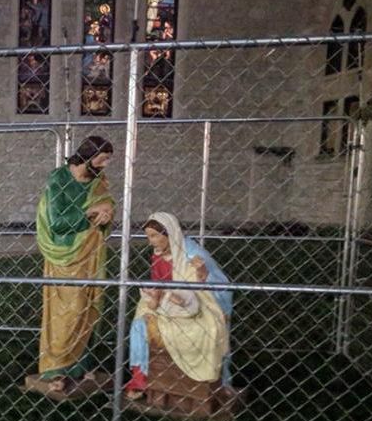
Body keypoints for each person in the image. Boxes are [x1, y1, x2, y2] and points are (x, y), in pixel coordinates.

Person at [35, 136, 116, 393]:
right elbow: (57, 221)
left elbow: (105, 204)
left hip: (90, 254)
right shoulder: (59, 178)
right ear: (87, 156)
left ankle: (80, 365)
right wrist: (91, 213)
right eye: (101, 160)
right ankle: (56, 368)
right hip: (64, 256)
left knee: (87, 308)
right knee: (66, 313)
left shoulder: (97, 182)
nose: (104, 165)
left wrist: (106, 212)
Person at [123, 212, 233, 400]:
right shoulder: (158, 254)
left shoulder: (191, 254)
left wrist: (202, 274)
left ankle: (202, 383)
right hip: (164, 300)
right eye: (149, 236)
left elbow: (220, 285)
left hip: (197, 301)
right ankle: (140, 378)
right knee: (139, 325)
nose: (151, 242)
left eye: (155, 236)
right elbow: (158, 281)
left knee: (204, 328)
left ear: (169, 234)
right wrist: (156, 295)